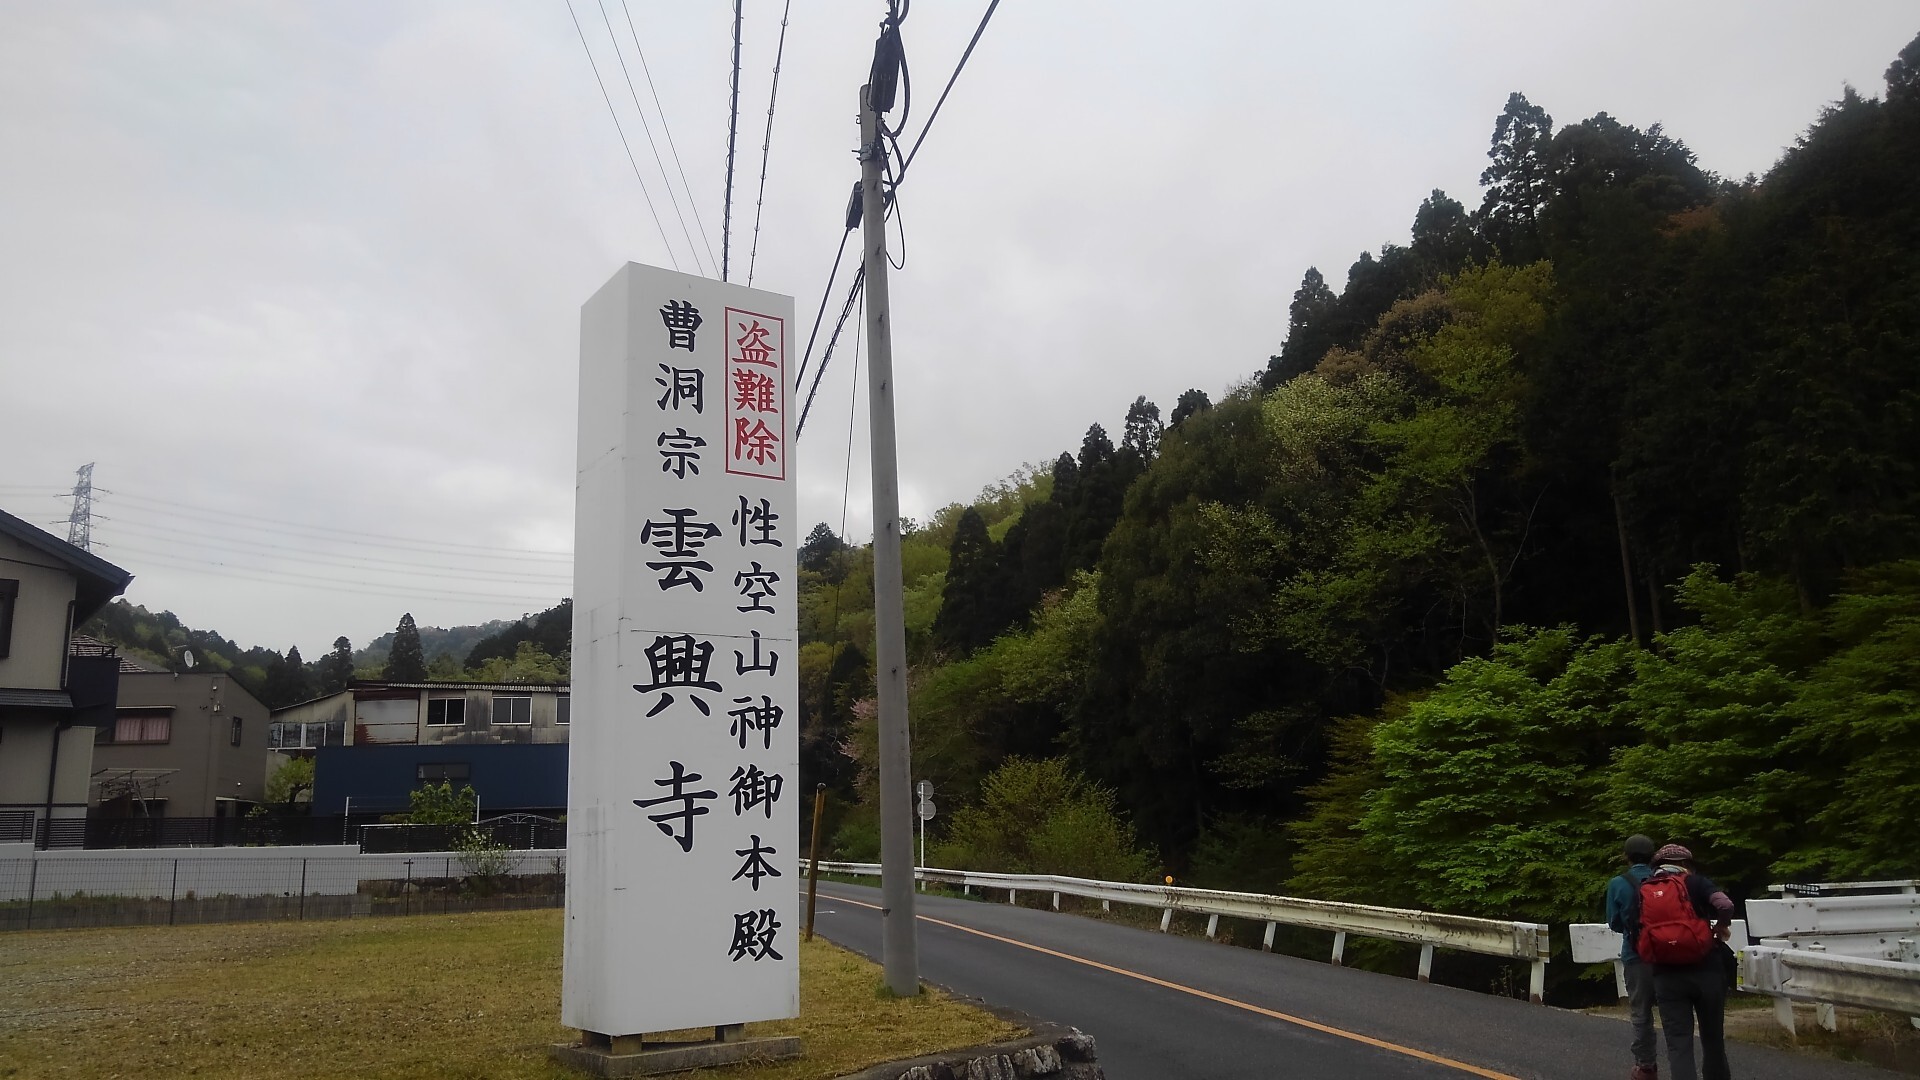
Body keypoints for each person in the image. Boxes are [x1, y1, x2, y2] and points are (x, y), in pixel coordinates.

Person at [1628, 843, 1736, 1080]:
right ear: (1686, 864)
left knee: (1678, 1042)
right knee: (1713, 1039)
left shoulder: (1643, 890)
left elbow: (1634, 930)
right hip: (1707, 970)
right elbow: (1725, 904)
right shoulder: (1697, 883)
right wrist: (1721, 926)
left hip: (1666, 975)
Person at [1606, 834, 1660, 1079]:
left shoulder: (1618, 883)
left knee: (1641, 1012)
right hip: (1670, 953)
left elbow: (1614, 922)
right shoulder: (1665, 880)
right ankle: (1682, 1063)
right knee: (1673, 1011)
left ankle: (1646, 1066)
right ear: (1653, 856)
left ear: (1626, 856)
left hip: (1636, 953)